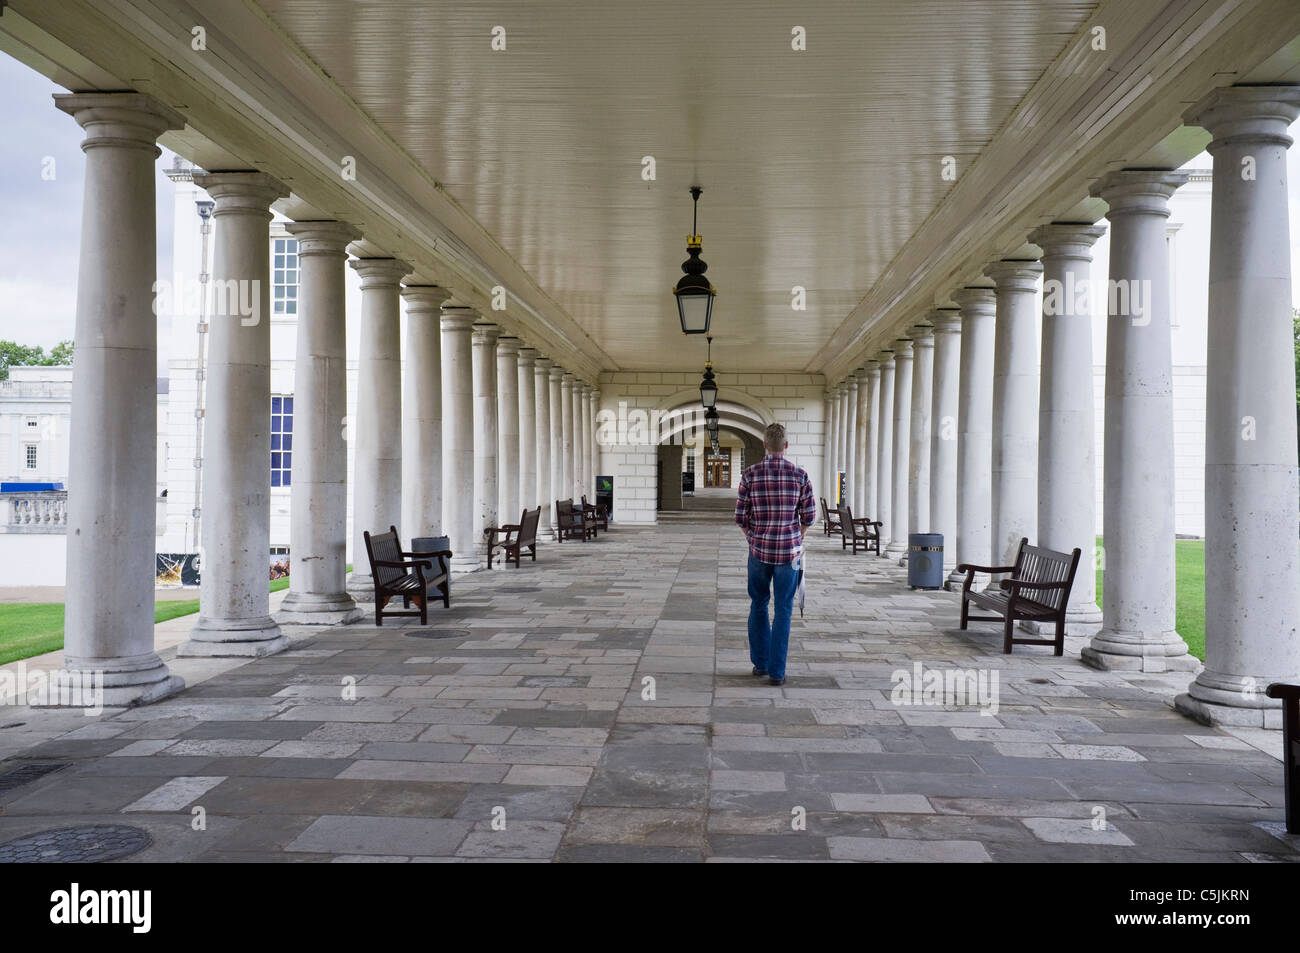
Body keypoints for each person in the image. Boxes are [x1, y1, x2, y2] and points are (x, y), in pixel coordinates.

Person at [733, 422, 815, 686]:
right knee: (783, 610)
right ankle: (778, 673)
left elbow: (740, 516)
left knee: (758, 604)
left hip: (759, 550)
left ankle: (761, 663)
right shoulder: (800, 475)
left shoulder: (750, 474)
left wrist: (752, 536)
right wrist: (797, 535)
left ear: (765, 445)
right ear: (786, 445)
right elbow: (809, 516)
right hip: (788, 553)